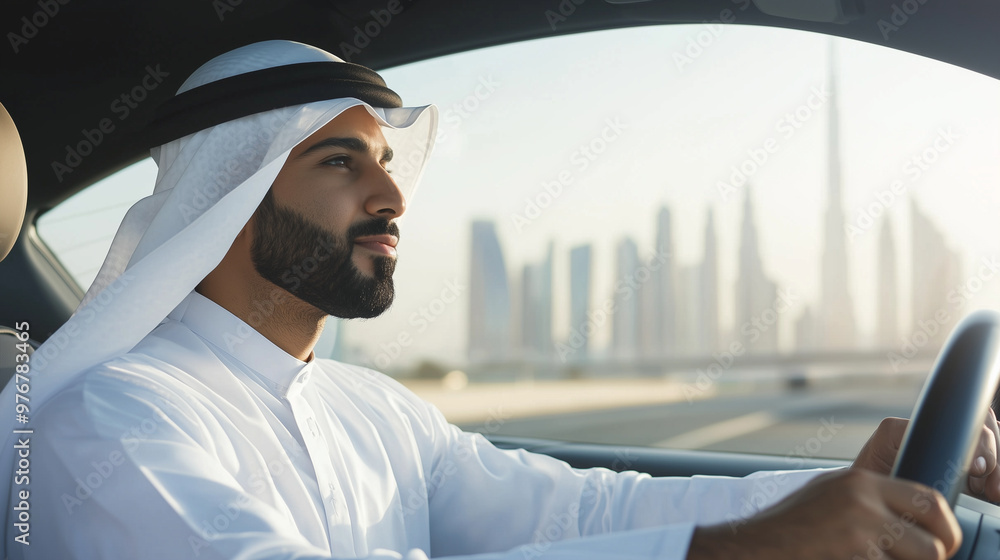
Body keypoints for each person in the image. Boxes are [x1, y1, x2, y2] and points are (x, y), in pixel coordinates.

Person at [2, 40, 998, 560]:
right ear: (226, 197)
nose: (392, 196)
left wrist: (823, 500)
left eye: (389, 165)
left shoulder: (374, 413)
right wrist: (739, 548)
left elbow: (575, 507)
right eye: (340, 161)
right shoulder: (110, 421)